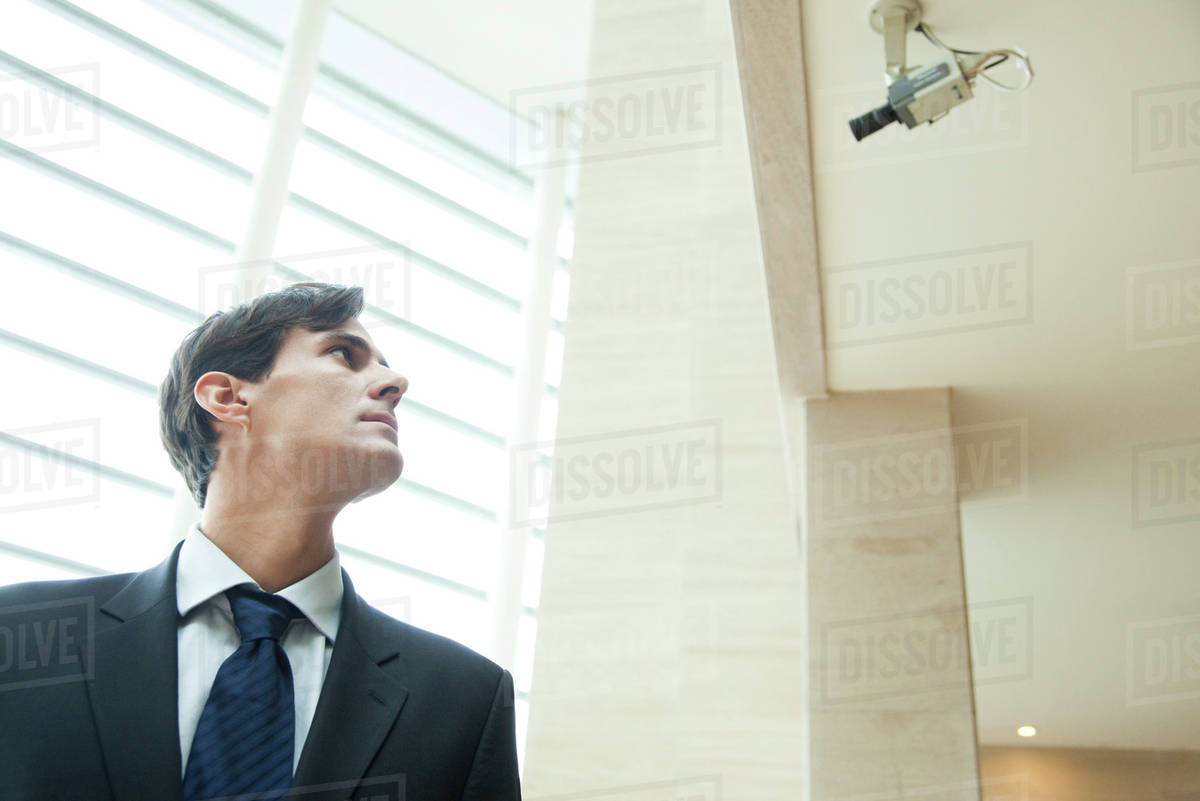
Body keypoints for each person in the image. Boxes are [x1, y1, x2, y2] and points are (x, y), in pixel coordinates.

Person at [0, 283, 521, 801]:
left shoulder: (464, 698)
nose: (395, 382)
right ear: (227, 397)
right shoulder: (24, 635)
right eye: (344, 353)